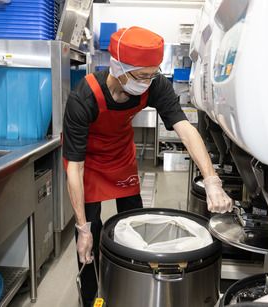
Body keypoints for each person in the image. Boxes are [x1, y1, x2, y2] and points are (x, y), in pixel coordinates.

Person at [62, 26, 233, 306]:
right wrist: (81, 228)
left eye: (152, 74)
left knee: (134, 217)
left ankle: (133, 285)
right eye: (141, 75)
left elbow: (185, 129)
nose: (147, 81)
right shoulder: (84, 98)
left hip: (120, 156)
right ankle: (91, 295)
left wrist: (212, 179)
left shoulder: (155, 85)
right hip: (87, 163)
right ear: (118, 68)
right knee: (91, 232)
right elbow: (75, 168)